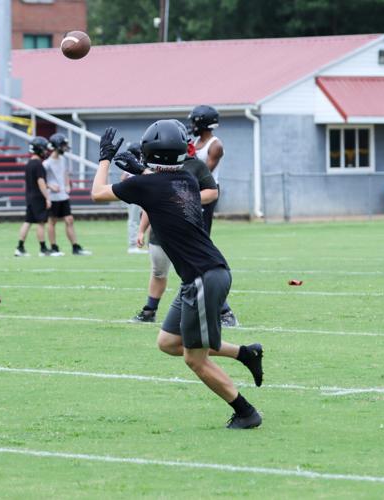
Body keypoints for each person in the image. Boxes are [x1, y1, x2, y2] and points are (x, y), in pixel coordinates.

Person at [92, 121, 264, 429]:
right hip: (205, 274)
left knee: (194, 358)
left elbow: (97, 193)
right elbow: (161, 184)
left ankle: (246, 412)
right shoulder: (186, 178)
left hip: (203, 277)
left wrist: (105, 158)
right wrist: (141, 170)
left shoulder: (147, 185)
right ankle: (245, 353)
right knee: (169, 342)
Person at [131, 128, 219, 323]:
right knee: (158, 272)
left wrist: (181, 199)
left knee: (199, 272)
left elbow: (212, 192)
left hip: (186, 231)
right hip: (160, 232)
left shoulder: (194, 165)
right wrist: (141, 230)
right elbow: (149, 202)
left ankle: (224, 312)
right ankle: (149, 311)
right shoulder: (155, 168)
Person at [188, 105, 238, 327]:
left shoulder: (215, 145)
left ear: (202, 122)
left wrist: (187, 156)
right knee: (191, 249)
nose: (191, 126)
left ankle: (223, 309)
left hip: (206, 194)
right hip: (191, 193)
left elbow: (202, 173)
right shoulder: (195, 142)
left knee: (199, 247)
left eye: (194, 122)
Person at [43, 133, 92, 256]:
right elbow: (41, 180)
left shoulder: (63, 160)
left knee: (69, 220)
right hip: (53, 197)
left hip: (63, 196)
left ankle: (75, 247)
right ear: (57, 146)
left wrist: (67, 185)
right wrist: (50, 186)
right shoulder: (46, 163)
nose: (65, 148)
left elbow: (65, 173)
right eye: (63, 145)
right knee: (52, 221)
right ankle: (54, 247)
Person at [14, 136, 53, 257]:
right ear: (39, 149)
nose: (45, 151)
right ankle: (43, 249)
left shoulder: (29, 163)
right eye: (44, 149)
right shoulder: (38, 164)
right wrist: (47, 197)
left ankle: (19, 247)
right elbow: (40, 182)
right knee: (41, 223)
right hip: (38, 197)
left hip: (30, 197)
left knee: (28, 222)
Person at [122, 142, 148, 255]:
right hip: (134, 194)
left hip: (141, 194)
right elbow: (123, 178)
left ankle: (143, 244)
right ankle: (133, 245)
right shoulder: (132, 163)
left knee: (142, 219)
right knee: (134, 220)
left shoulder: (139, 163)